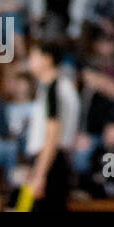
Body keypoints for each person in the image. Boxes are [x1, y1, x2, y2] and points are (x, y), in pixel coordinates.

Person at [25, 41, 77, 213]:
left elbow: (52, 134)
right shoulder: (56, 86)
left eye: (33, 56)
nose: (30, 61)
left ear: (47, 59)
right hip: (51, 159)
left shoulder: (55, 88)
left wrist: (40, 174)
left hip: (51, 161)